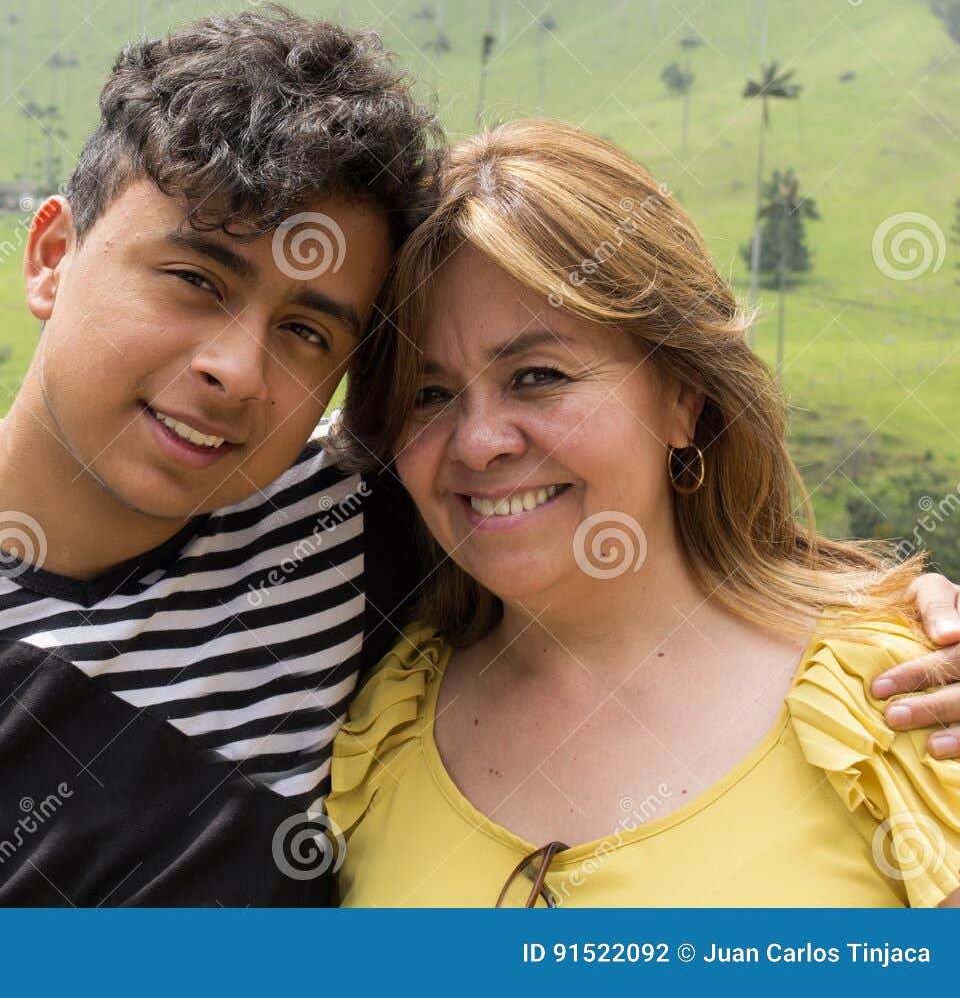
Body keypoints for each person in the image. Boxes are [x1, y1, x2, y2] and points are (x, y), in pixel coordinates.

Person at [0, 13, 960, 908]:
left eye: (307, 329)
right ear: (48, 255)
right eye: (194, 278)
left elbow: (611, 520)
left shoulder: (361, 536)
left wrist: (907, 621)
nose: (235, 367)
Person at [326, 119, 960, 907]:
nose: (479, 440)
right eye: (429, 394)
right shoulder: (371, 728)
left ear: (683, 398)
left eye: (538, 375)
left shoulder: (903, 706)